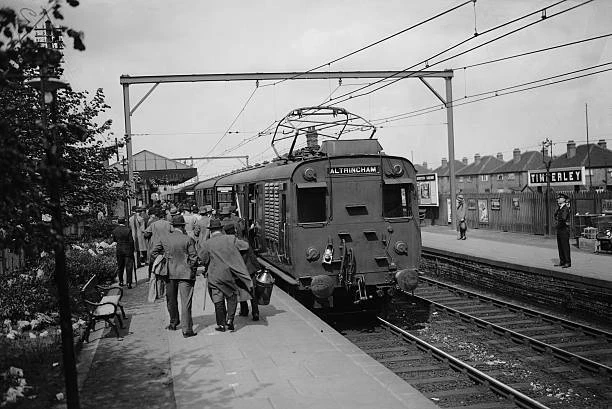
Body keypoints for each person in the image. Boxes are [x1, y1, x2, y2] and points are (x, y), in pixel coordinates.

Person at [198, 219, 253, 332]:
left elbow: (203, 259)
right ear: (221, 229)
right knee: (231, 295)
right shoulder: (230, 239)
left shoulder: (207, 243)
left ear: (211, 231)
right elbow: (245, 246)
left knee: (217, 298)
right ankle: (230, 321)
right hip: (229, 274)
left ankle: (221, 324)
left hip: (214, 275)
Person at [151, 215, 198, 338]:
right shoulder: (187, 239)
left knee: (171, 299)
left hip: (169, 273)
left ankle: (173, 323)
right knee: (186, 302)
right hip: (185, 273)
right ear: (182, 226)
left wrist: (164, 258)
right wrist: (191, 269)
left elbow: (153, 252)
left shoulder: (165, 238)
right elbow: (194, 257)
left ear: (172, 226)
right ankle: (187, 330)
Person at [224, 223, 260, 321]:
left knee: (240, 290)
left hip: (237, 270)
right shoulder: (243, 241)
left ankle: (244, 310)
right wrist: (258, 268)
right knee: (252, 291)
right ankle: (255, 312)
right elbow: (251, 255)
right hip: (249, 269)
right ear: (235, 230)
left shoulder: (227, 244)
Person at [111, 218, 135, 288]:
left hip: (119, 250)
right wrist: (132, 250)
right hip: (128, 250)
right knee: (129, 267)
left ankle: (121, 281)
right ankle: (129, 283)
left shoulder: (115, 230)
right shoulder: (128, 230)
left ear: (118, 222)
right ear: (124, 222)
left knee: (120, 267)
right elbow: (131, 241)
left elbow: (115, 240)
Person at [554, 193, 571, 268]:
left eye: (559, 198)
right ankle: (562, 261)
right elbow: (555, 216)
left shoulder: (565, 208)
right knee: (560, 246)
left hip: (564, 229)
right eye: (557, 198)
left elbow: (563, 218)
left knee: (565, 246)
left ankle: (567, 262)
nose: (558, 199)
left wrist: (558, 224)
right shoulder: (560, 208)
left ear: (564, 199)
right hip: (560, 229)